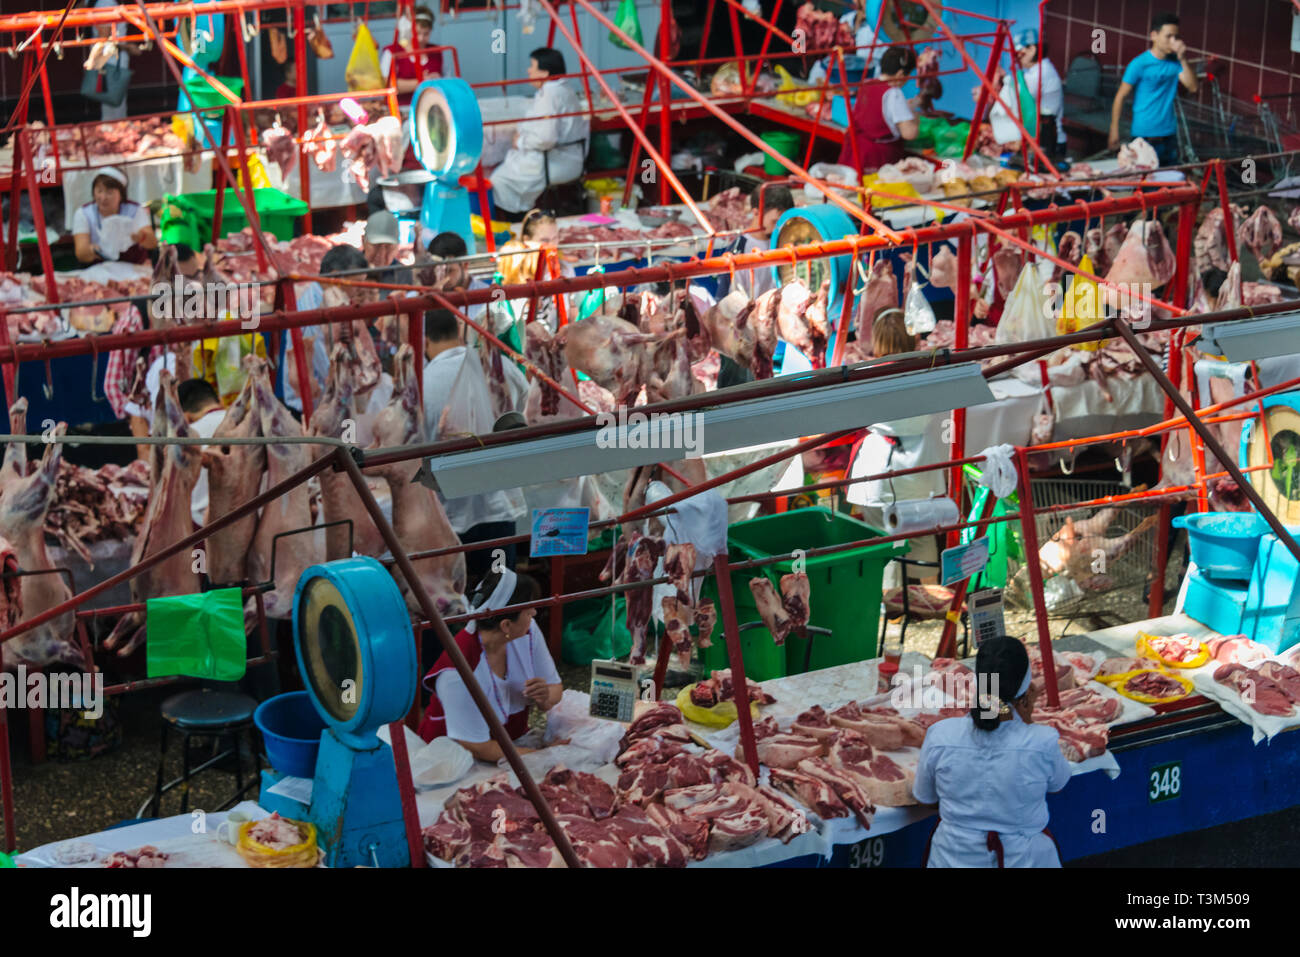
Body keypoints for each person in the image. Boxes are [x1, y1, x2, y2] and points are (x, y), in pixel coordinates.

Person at [913, 636, 1071, 867]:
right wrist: (1024, 720)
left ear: (978, 681)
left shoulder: (941, 735)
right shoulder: (1042, 742)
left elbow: (925, 798)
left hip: (952, 856)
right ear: (1026, 687)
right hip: (1024, 859)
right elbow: (1058, 785)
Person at [421, 308, 527, 581]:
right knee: (499, 600)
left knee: (456, 606)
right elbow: (522, 417)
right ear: (459, 331)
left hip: (448, 518)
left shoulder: (423, 384)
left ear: (424, 341)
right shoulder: (504, 370)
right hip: (499, 510)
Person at [416, 569, 562, 752]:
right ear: (506, 625)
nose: (534, 612)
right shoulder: (457, 671)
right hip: (454, 756)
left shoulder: (528, 630)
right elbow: (477, 747)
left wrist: (544, 698)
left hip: (511, 744)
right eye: (528, 611)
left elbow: (555, 688)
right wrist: (543, 754)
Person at [489, 48, 590, 219]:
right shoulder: (563, 88)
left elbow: (546, 138)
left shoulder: (550, 95)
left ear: (545, 72)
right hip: (567, 156)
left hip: (554, 160)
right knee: (504, 169)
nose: (528, 70)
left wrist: (520, 142)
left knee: (499, 180)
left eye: (532, 67)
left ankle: (519, 220)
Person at [1109, 12, 1197, 168]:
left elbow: (1193, 87)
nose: (1172, 41)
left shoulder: (1176, 63)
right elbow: (1120, 96)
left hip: (1168, 135)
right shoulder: (1139, 64)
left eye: (1175, 37)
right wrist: (1114, 129)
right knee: (1146, 185)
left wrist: (1183, 58)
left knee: (1169, 184)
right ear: (1154, 36)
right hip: (1143, 135)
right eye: (1168, 36)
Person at [838, 46, 920, 174]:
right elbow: (909, 134)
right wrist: (915, 115)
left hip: (857, 149)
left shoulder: (866, 83)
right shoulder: (894, 93)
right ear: (900, 74)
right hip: (878, 156)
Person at [986, 30, 1065, 159]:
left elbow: (1016, 94)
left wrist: (998, 81)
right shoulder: (1035, 72)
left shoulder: (1042, 72)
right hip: (1039, 137)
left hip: (1049, 142)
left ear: (1032, 49)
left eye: (1020, 53)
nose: (1018, 58)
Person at [72, 168, 156, 265]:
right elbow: (81, 254)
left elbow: (152, 243)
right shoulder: (84, 213)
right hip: (100, 269)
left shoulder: (135, 210)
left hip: (133, 267)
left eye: (109, 192)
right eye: (99, 191)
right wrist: (92, 250)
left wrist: (140, 237)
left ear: (121, 194)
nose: (103, 198)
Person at [177, 378, 226, 529]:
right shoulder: (247, 422)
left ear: (185, 417)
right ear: (219, 400)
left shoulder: (188, 436)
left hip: (202, 526)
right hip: (256, 517)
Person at [380, 5, 442, 105]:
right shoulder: (392, 52)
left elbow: (447, 80)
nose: (421, 38)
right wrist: (423, 82)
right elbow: (387, 85)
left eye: (426, 34)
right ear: (410, 30)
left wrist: (439, 81)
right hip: (400, 109)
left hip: (430, 108)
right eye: (417, 33)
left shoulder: (437, 52)